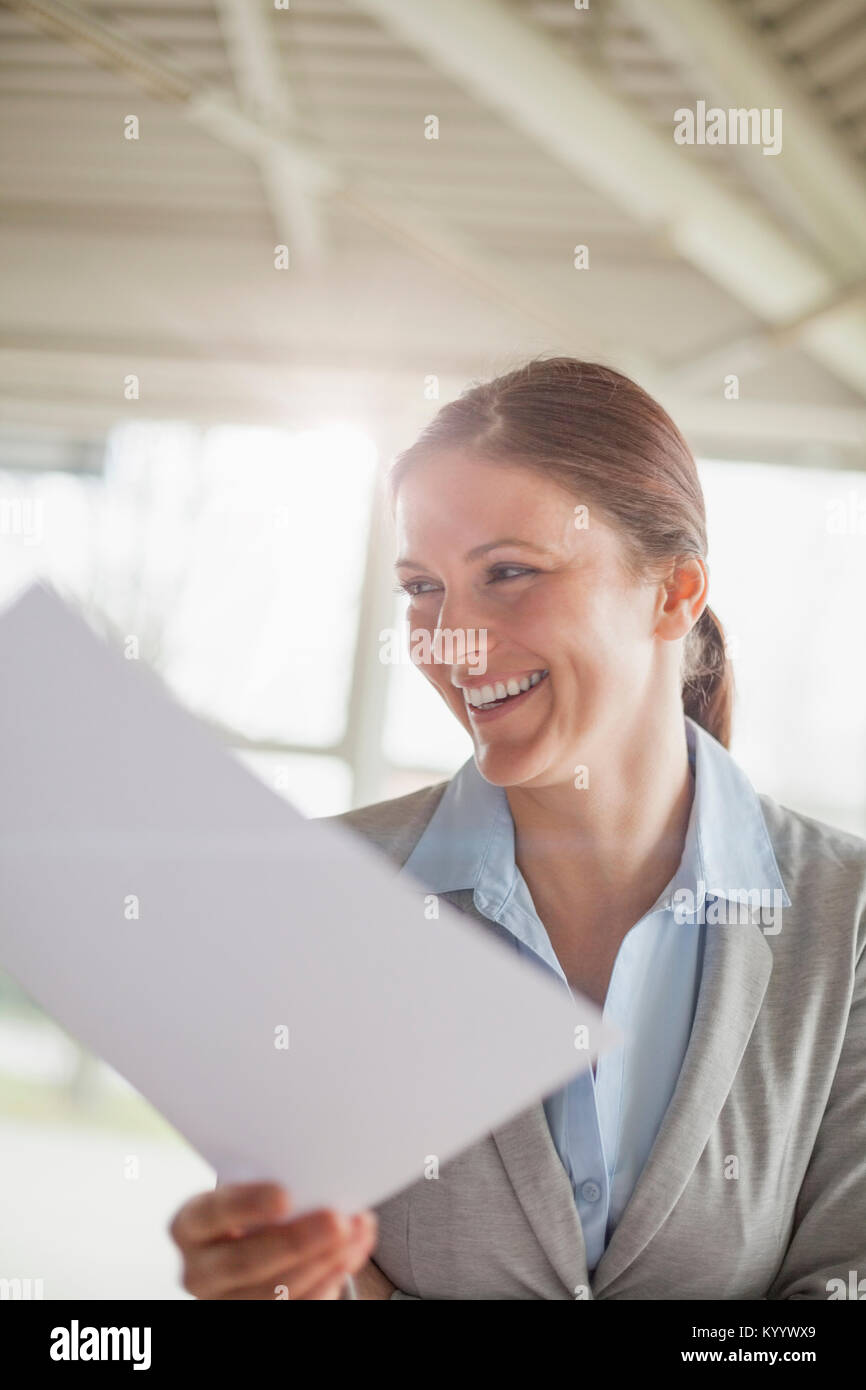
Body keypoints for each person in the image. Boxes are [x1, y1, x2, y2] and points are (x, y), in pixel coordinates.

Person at [170, 357, 866, 1300]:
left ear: (674, 592)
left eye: (508, 572)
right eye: (424, 587)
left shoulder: (847, 918)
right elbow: (307, 1274)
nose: (451, 638)